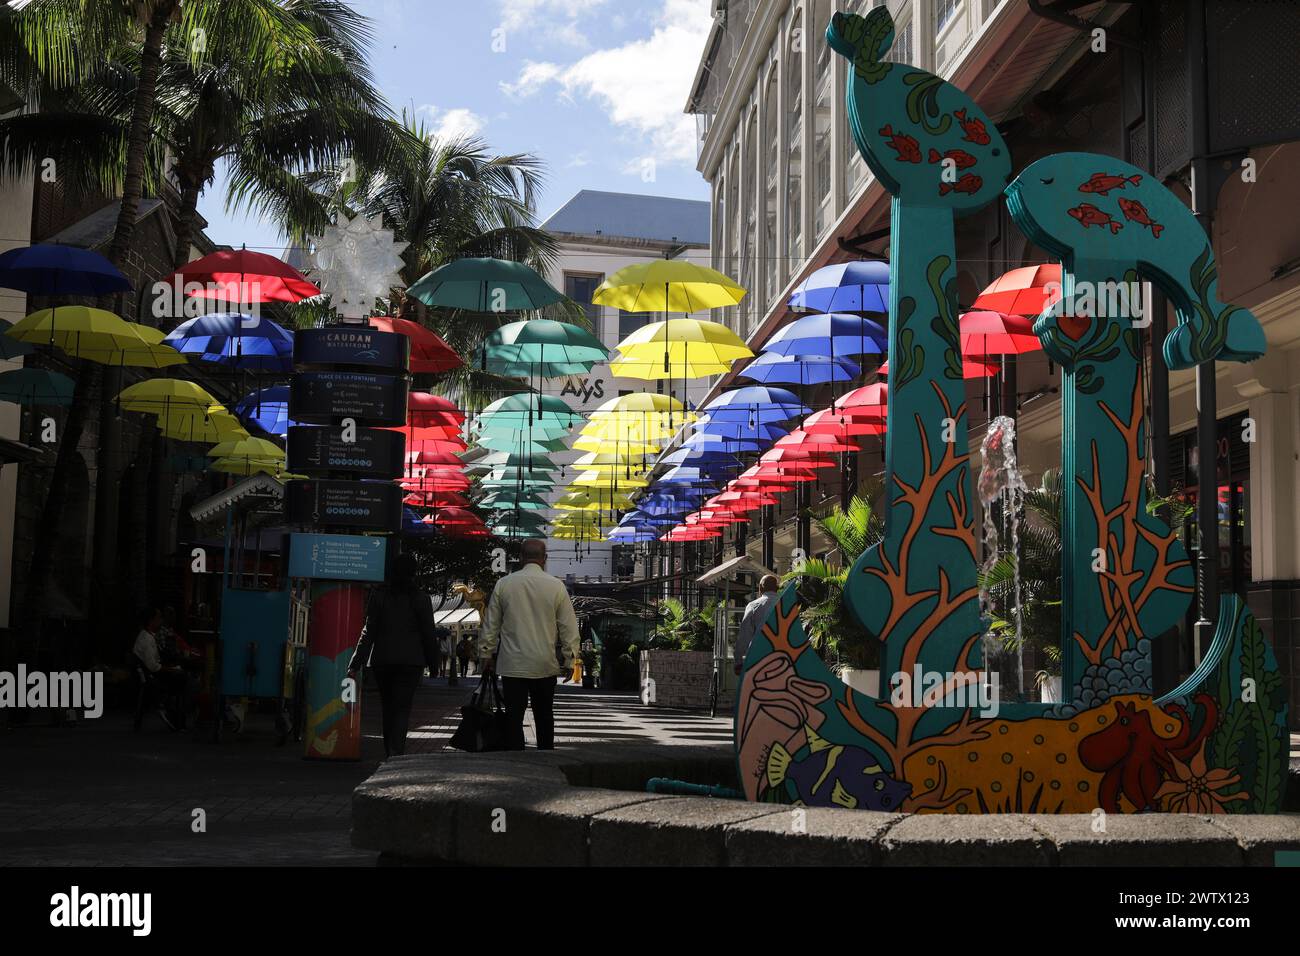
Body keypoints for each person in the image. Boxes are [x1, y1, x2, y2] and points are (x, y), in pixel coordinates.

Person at [478, 539, 579, 750]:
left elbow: (491, 624)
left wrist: (486, 653)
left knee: (514, 715)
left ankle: (516, 758)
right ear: (545, 559)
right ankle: (546, 759)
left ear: (521, 558)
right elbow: (568, 627)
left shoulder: (504, 584)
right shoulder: (556, 586)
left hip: (513, 664)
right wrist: (571, 659)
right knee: (544, 714)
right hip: (544, 664)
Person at [346, 553, 439, 758]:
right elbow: (428, 634)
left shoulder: (379, 596)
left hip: (383, 661)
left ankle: (390, 749)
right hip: (411, 662)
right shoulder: (421, 599)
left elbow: (368, 632)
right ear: (414, 573)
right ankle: (396, 751)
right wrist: (434, 665)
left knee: (387, 706)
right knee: (402, 707)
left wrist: (356, 663)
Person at [132, 607, 187, 731]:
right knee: (181, 678)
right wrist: (172, 670)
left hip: (151, 673)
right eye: (159, 618)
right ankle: (172, 711)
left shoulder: (150, 636)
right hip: (151, 676)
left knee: (180, 676)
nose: (161, 621)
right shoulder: (147, 639)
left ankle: (173, 711)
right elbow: (153, 666)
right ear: (151, 621)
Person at [735, 574, 780, 675]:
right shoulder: (786, 604)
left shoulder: (753, 606)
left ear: (760, 588)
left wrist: (738, 661)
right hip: (783, 659)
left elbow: (745, 635)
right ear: (777, 588)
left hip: (758, 660)